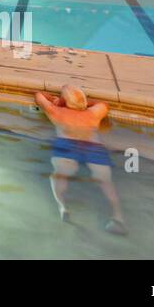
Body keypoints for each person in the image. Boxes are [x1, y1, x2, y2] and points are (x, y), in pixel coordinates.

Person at [36, 84, 126, 234]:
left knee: (59, 174)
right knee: (105, 181)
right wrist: (85, 104)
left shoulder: (57, 111)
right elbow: (104, 104)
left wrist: (56, 100)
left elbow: (38, 95)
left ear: (65, 101)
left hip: (67, 146)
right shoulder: (93, 114)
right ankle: (118, 217)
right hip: (93, 147)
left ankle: (63, 207)